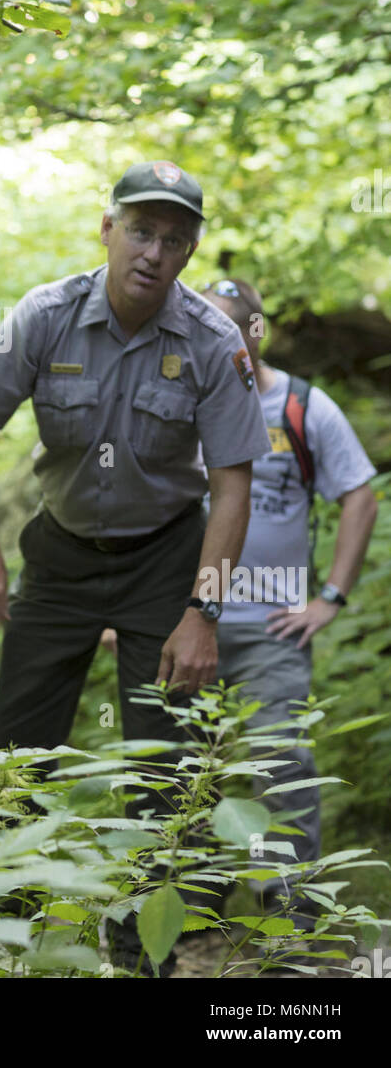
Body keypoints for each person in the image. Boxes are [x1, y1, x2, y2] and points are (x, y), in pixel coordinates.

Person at [0, 161, 272, 975]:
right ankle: (12, 943)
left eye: (173, 240)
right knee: (16, 753)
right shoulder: (45, 317)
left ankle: (142, 956)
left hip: (165, 556)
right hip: (59, 551)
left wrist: (203, 613)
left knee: (162, 766)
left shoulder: (211, 340)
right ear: (107, 228)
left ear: (189, 253)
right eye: (140, 231)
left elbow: (234, 485)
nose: (153, 253)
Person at [197, 277, 378, 928]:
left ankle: (290, 924)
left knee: (281, 762)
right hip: (188, 627)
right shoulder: (177, 402)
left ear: (255, 332)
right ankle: (193, 915)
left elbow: (358, 494)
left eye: (227, 329)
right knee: (187, 771)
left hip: (274, 629)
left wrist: (330, 597)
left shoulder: (304, 407)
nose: (214, 342)